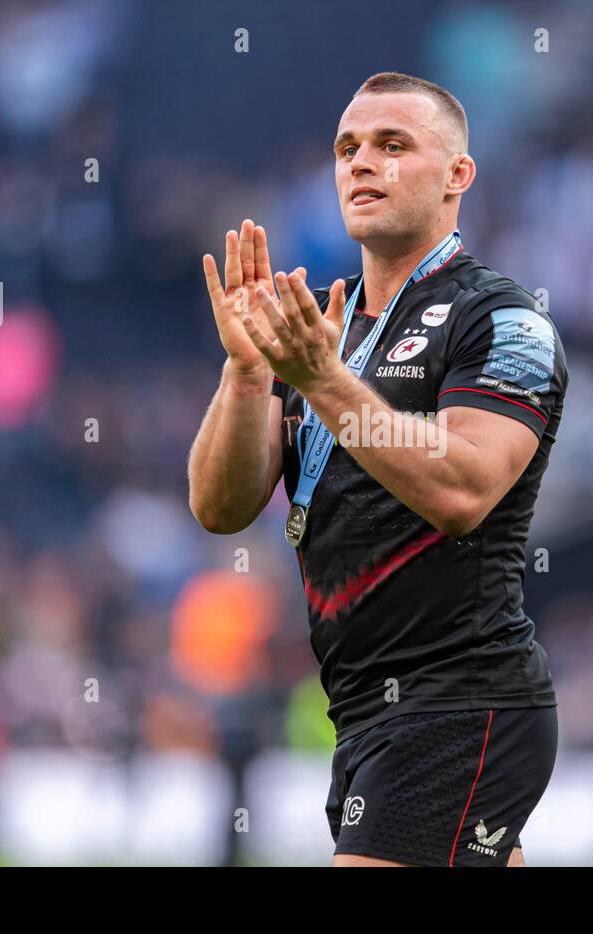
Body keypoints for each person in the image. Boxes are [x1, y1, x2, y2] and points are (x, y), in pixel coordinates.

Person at [188, 72, 568, 867]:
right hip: (363, 710)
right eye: (347, 149)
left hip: (459, 700)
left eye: (393, 146)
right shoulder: (320, 332)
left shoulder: (501, 319)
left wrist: (323, 381)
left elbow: (464, 491)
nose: (362, 163)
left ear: (458, 176)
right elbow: (220, 507)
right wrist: (250, 373)